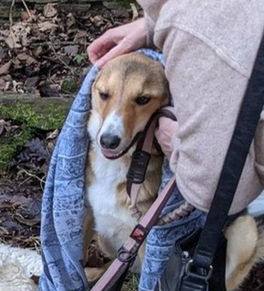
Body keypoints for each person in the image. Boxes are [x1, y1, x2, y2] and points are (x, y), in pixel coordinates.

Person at [88, 3, 264, 291]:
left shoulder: (192, 28)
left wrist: (174, 143)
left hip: (227, 185)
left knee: (232, 229)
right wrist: (152, 26)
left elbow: (214, 188)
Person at [87, 1, 264, 216]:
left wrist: (175, 143)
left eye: (142, 99)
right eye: (105, 95)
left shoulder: (194, 37)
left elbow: (217, 193)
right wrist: (153, 24)